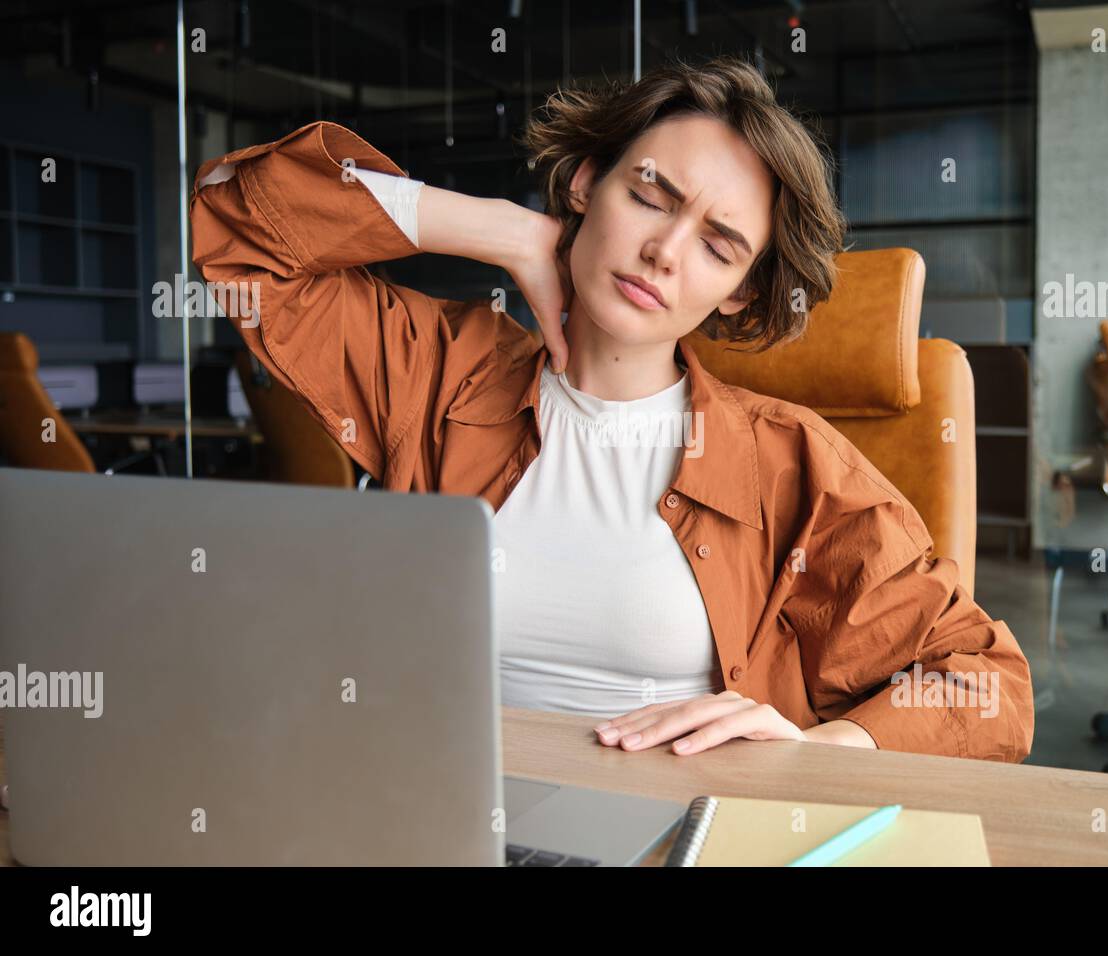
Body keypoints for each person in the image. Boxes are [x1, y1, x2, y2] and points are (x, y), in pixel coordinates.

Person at [190, 55, 1033, 762]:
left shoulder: (793, 465)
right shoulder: (440, 375)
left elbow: (992, 688)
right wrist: (506, 232)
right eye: (650, 194)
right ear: (588, 183)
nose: (664, 251)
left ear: (739, 294)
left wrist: (824, 748)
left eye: (717, 243)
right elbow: (234, 213)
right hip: (434, 812)